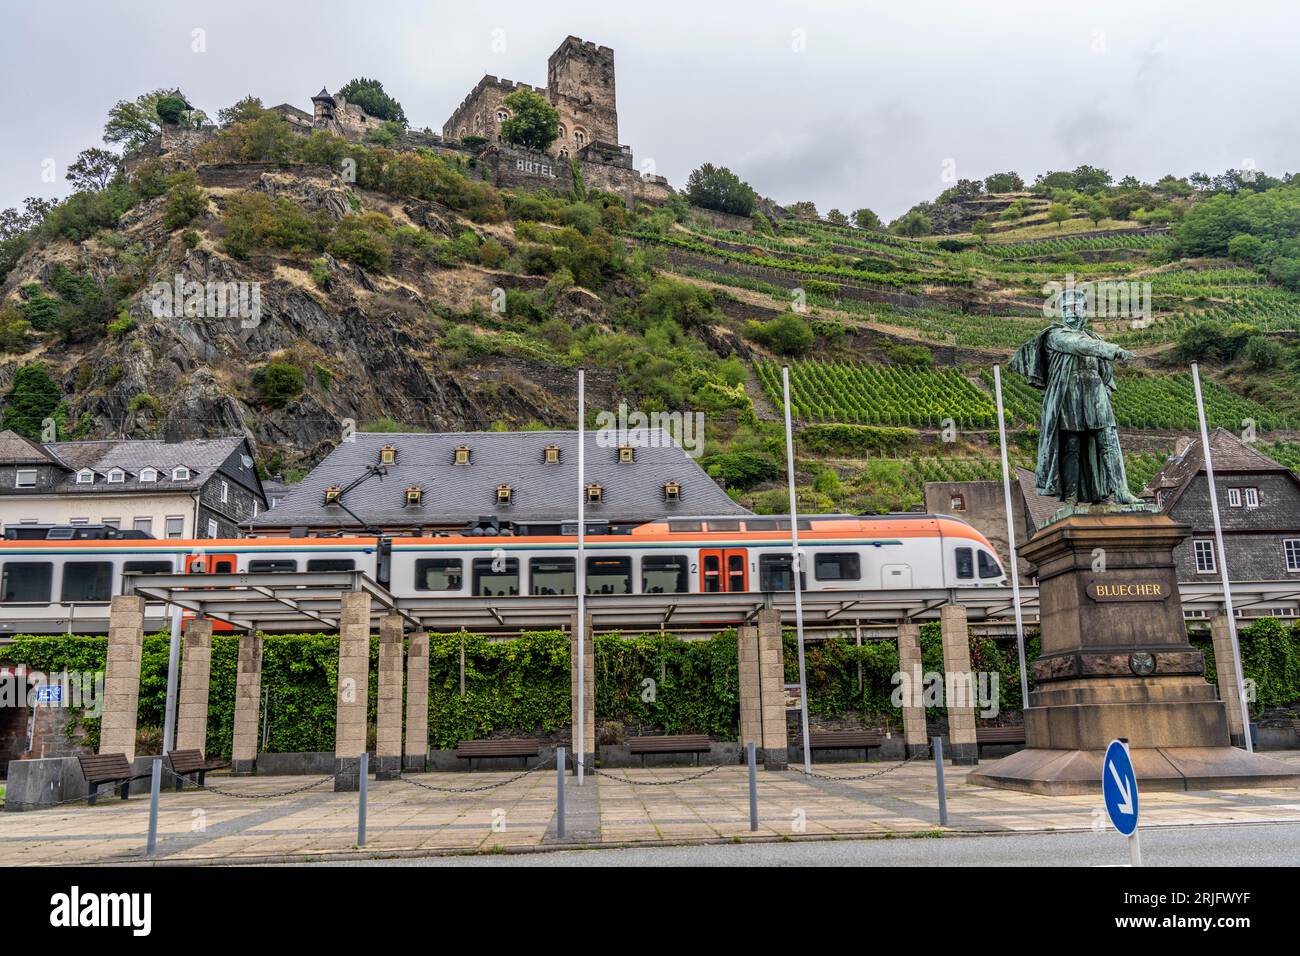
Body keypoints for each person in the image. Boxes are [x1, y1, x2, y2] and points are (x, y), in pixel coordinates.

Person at [1010, 287, 1143, 506]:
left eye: (1074, 306)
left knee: (1108, 441)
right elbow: (1077, 345)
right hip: (1068, 396)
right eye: (1065, 308)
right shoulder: (1056, 334)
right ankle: (1071, 497)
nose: (1070, 311)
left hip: (1095, 394)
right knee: (1071, 444)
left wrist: (1105, 393)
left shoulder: (1094, 337)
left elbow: (1106, 374)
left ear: (1083, 309)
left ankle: (1122, 491)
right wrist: (1115, 349)